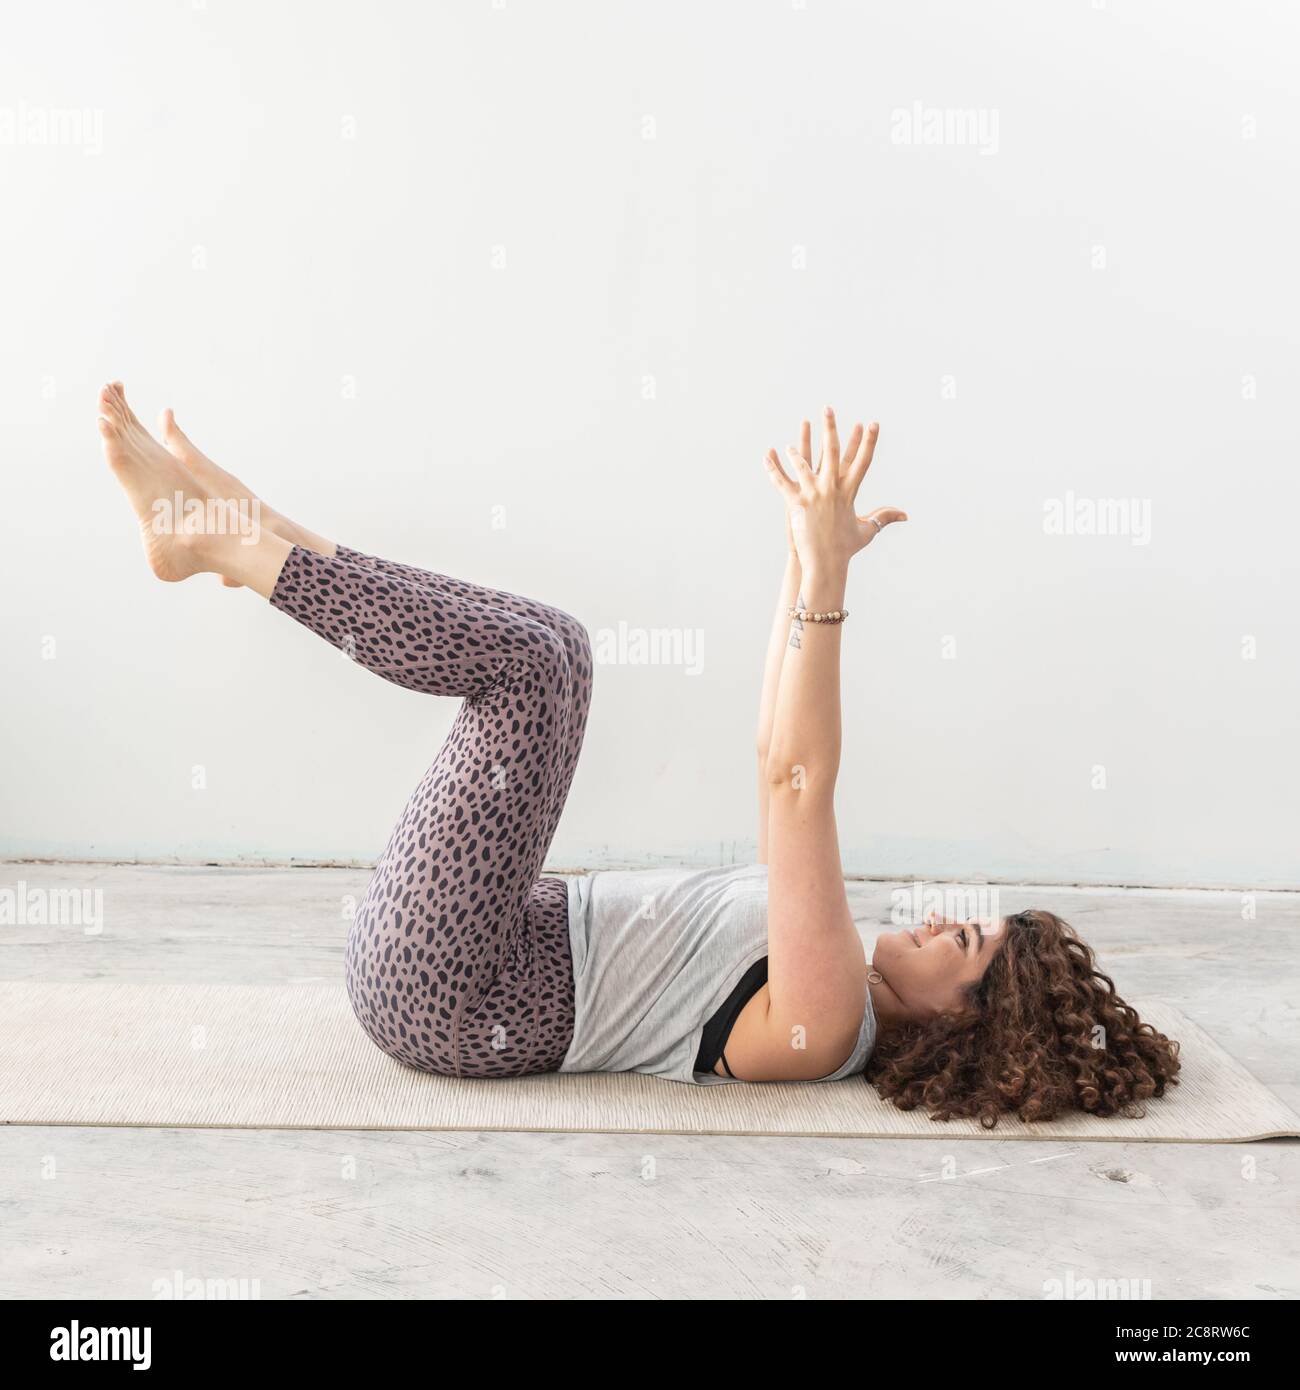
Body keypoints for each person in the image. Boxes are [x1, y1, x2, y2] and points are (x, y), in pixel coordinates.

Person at [98, 384, 1179, 1125]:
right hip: (496, 929)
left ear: (958, 1028)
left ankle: (226, 540)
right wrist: (807, 564)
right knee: (551, 650)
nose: (949, 921)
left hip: (451, 990)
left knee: (536, 666)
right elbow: (772, 741)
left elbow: (792, 783)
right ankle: (239, 529)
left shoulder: (824, 1020)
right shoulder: (838, 962)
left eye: (968, 949)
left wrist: (827, 590)